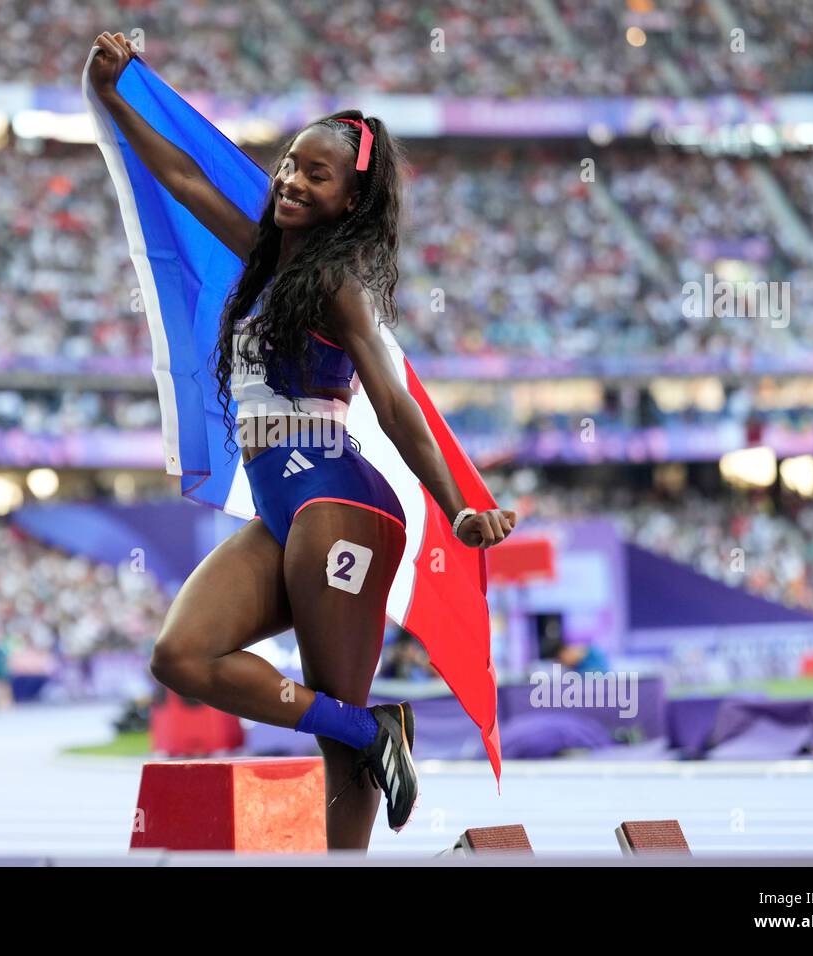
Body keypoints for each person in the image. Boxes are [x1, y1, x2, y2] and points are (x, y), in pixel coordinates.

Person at [89, 33, 517, 849]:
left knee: (333, 738)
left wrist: (461, 508)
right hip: (287, 508)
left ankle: (356, 759)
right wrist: (115, 99)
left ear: (347, 200)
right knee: (181, 656)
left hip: (339, 505)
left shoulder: (339, 287)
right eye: (289, 162)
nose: (289, 179)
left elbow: (393, 405)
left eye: (314, 174)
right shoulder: (262, 252)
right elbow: (180, 178)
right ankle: (371, 729)